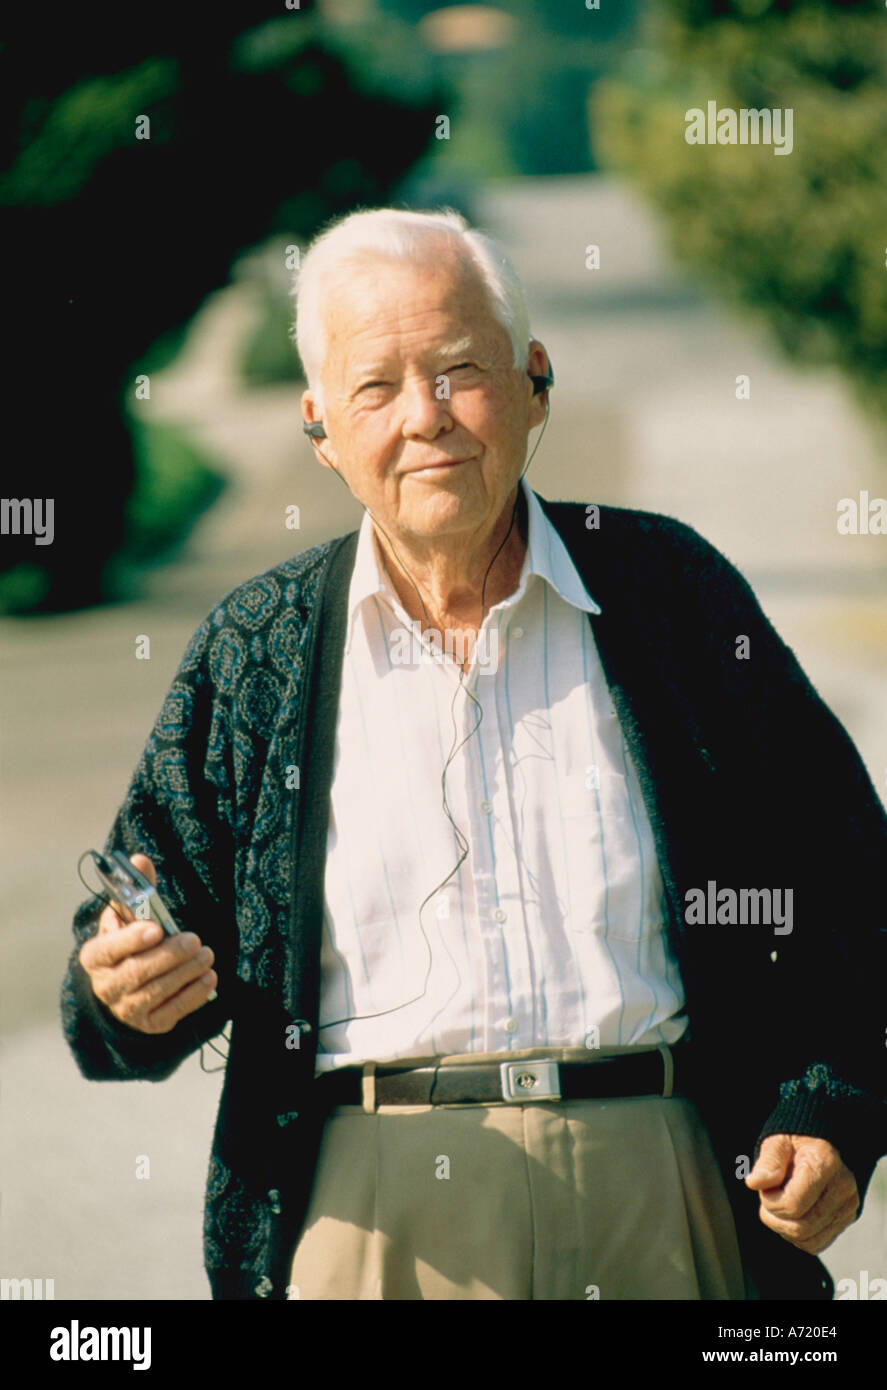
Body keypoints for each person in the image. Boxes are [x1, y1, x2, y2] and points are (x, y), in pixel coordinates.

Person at [62, 207, 887, 1301]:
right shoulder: (254, 648)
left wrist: (833, 1110)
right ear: (319, 428)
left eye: (460, 369)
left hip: (668, 1187)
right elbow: (132, 951)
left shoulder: (669, 593)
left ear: (535, 379)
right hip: (373, 1220)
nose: (426, 418)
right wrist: (121, 990)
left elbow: (851, 888)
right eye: (376, 388)